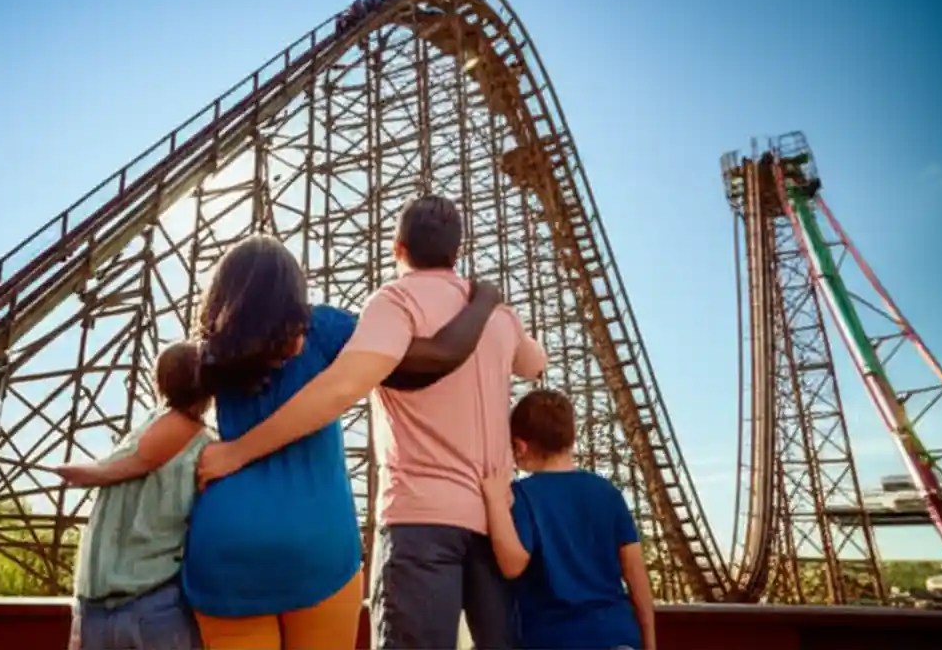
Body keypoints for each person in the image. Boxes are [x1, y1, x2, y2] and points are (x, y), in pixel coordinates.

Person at [199, 195, 547, 649]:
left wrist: (233, 452)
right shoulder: (497, 316)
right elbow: (535, 364)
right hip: (491, 515)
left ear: (397, 248)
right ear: (456, 252)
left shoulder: (392, 303)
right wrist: (489, 305)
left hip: (416, 518)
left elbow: (348, 385)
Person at [54, 341, 213, 650]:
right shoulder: (206, 449)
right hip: (156, 604)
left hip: (96, 606)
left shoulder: (135, 439)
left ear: (159, 382)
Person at [481, 390, 656, 650]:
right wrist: (649, 642)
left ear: (520, 446)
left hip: (557, 638)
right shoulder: (609, 493)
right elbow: (636, 574)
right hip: (617, 636)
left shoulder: (524, 495)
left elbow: (512, 564)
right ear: (571, 438)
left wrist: (494, 502)